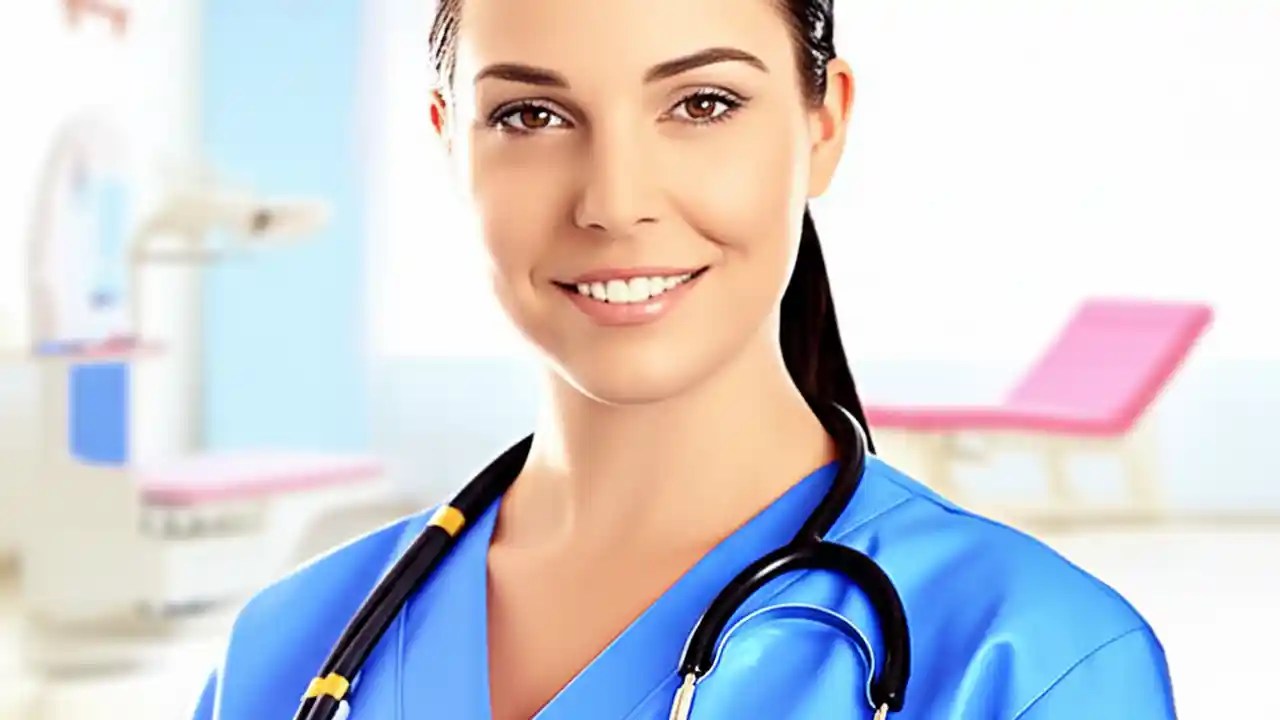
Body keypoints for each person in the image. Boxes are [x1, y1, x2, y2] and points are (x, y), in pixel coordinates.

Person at [192, 0, 1177, 717]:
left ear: (823, 124)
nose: (614, 202)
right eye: (530, 115)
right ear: (450, 142)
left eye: (702, 104)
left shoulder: (1028, 657)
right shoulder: (288, 648)